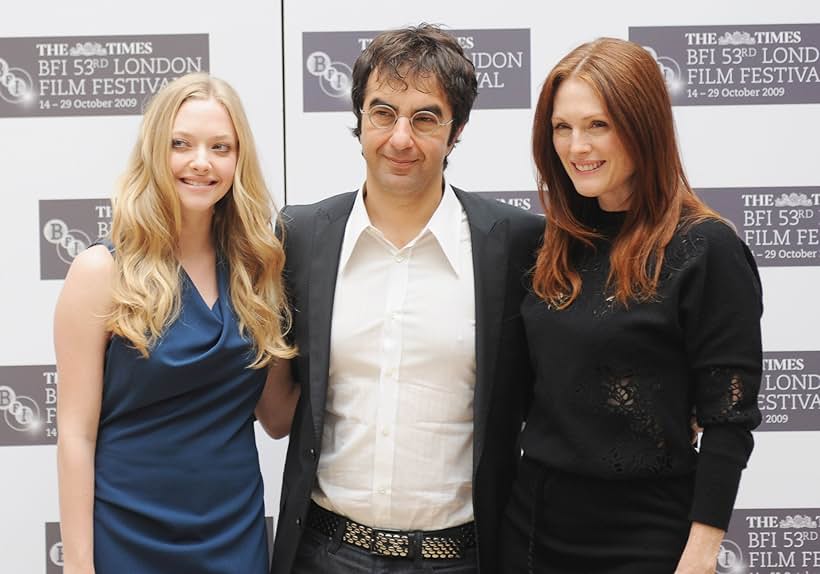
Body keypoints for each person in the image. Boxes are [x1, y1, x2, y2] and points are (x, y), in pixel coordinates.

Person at [270, 24, 544, 574]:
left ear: (456, 129)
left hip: (462, 558)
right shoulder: (300, 236)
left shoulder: (515, 243)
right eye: (383, 112)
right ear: (359, 119)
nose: (400, 138)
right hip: (325, 553)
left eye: (425, 118)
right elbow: (277, 409)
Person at [500, 37, 763, 573]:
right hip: (531, 532)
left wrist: (701, 554)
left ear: (643, 126)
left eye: (598, 124)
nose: (576, 147)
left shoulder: (706, 247)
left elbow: (728, 421)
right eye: (562, 127)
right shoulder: (553, 242)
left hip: (646, 539)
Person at [54, 72, 299, 574]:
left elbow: (277, 417)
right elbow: (76, 436)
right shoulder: (100, 272)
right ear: (153, 153)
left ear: (238, 160)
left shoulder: (258, 272)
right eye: (180, 144)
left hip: (234, 537)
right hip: (127, 537)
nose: (201, 162)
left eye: (220, 147)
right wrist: (79, 567)